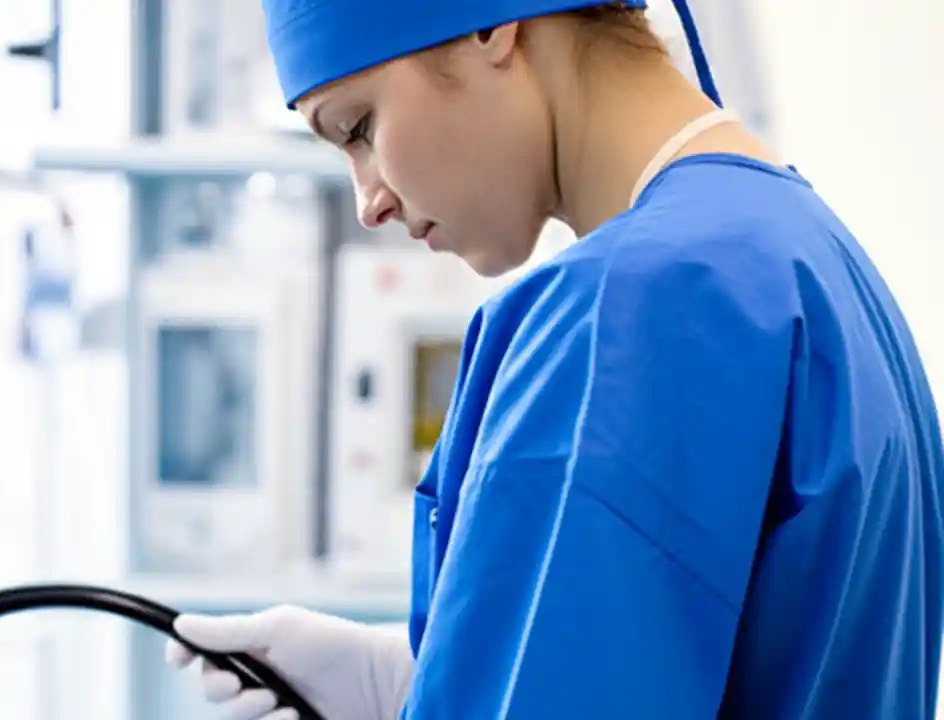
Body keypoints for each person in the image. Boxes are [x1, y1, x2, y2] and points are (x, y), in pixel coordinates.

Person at [166, 1, 944, 718]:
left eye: (360, 127)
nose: (369, 199)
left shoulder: (631, 310)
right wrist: (434, 681)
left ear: (489, 26)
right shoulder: (808, 257)